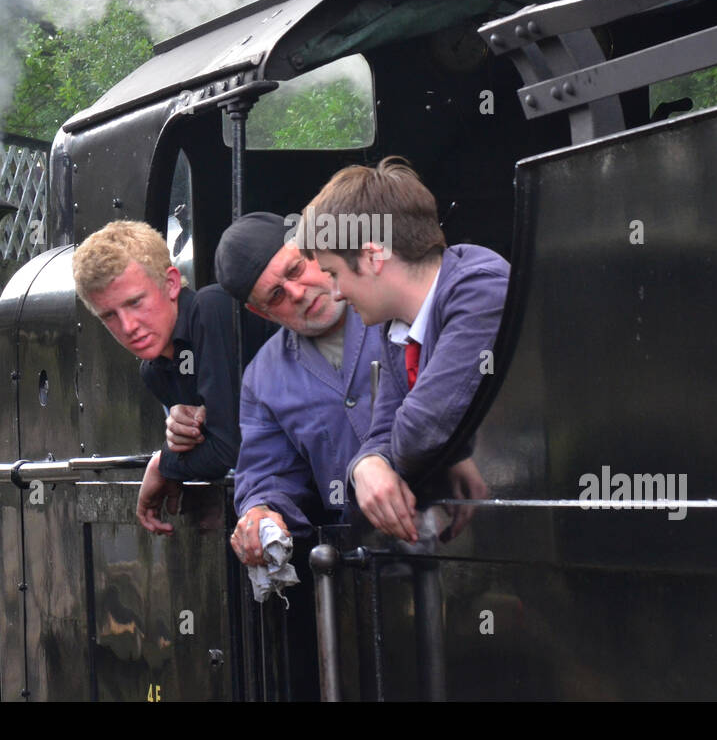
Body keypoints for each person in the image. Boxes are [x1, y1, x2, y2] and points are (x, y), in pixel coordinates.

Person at [200, 211, 488, 567]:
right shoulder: (262, 379)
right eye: (276, 295)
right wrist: (263, 512)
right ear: (259, 313)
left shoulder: (398, 304)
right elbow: (269, 473)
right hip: (366, 566)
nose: (298, 293)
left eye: (295, 269)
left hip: (474, 539)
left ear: (314, 250)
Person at [298, 156, 509, 543]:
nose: (336, 293)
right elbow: (384, 431)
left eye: (333, 274)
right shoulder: (394, 323)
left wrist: (434, 453)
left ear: (373, 256)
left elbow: (418, 432)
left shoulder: (482, 290)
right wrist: (365, 466)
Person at [71, 219, 272, 533]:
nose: (128, 326)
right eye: (109, 315)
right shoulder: (154, 371)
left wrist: (162, 463)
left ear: (172, 284)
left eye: (135, 302)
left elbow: (229, 449)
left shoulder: (211, 308)